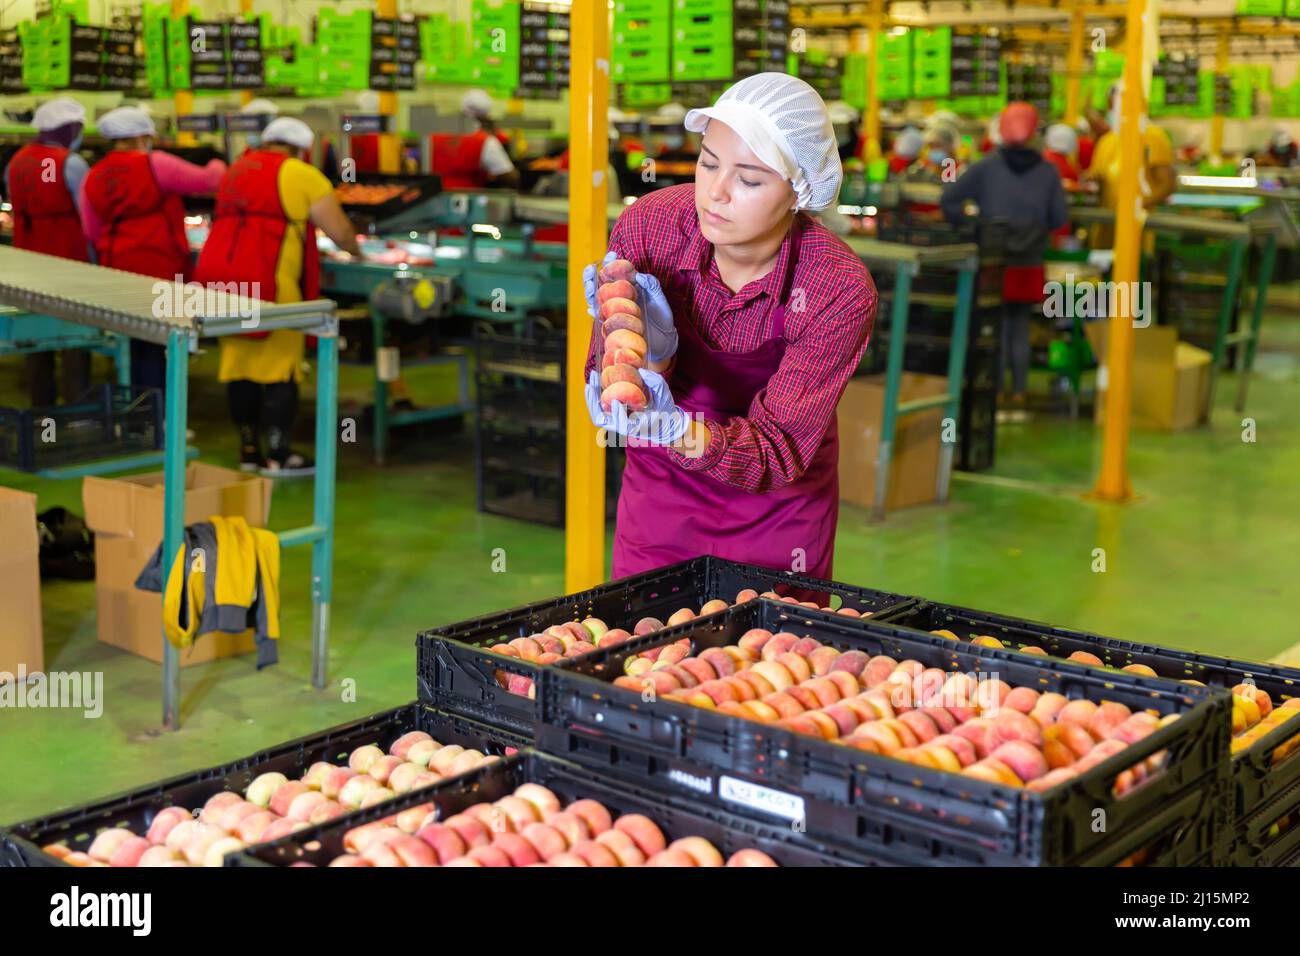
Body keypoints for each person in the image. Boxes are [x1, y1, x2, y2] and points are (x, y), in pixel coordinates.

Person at [581, 74, 877, 581]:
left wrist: (676, 428)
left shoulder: (835, 287)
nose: (714, 194)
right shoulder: (651, 226)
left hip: (777, 507)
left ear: (799, 191)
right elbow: (610, 367)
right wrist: (645, 365)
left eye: (750, 179)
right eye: (708, 162)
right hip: (662, 491)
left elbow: (777, 450)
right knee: (644, 639)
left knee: (767, 650)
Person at [194, 117, 361, 476]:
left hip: (223, 278)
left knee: (239, 367)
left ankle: (249, 451)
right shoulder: (300, 174)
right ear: (301, 149)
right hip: (271, 281)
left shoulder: (237, 169)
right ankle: (278, 455)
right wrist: (357, 251)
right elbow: (340, 230)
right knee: (281, 371)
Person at [79, 106, 227, 393]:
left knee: (135, 342)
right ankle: (162, 420)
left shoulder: (93, 175)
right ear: (142, 137)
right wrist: (217, 160)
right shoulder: (156, 164)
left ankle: (141, 415)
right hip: (160, 266)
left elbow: (91, 231)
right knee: (162, 343)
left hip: (118, 267)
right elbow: (210, 181)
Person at [940, 102, 1067, 419]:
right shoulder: (1049, 171)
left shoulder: (985, 167)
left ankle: (993, 396)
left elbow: (949, 199)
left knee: (993, 328)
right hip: (1029, 262)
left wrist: (972, 225)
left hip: (994, 262)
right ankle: (1020, 394)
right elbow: (1059, 217)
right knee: (1019, 327)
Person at [5, 97, 92, 406]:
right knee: (73, 338)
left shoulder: (16, 161)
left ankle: (42, 410)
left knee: (36, 335)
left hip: (28, 260)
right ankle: (77, 409)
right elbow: (89, 214)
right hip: (68, 261)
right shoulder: (70, 163)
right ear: (70, 129)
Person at [1083, 80, 1175, 247]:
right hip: (1106, 230)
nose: (1114, 111)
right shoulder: (1106, 141)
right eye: (1111, 106)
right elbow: (1098, 180)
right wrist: (1093, 180)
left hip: (1138, 233)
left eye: (1118, 105)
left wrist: (1136, 207)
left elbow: (1167, 184)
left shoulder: (1153, 137)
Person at [429, 89, 518, 189]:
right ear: (486, 115)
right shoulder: (485, 141)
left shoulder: (434, 135)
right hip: (468, 198)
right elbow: (509, 177)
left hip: (432, 196)